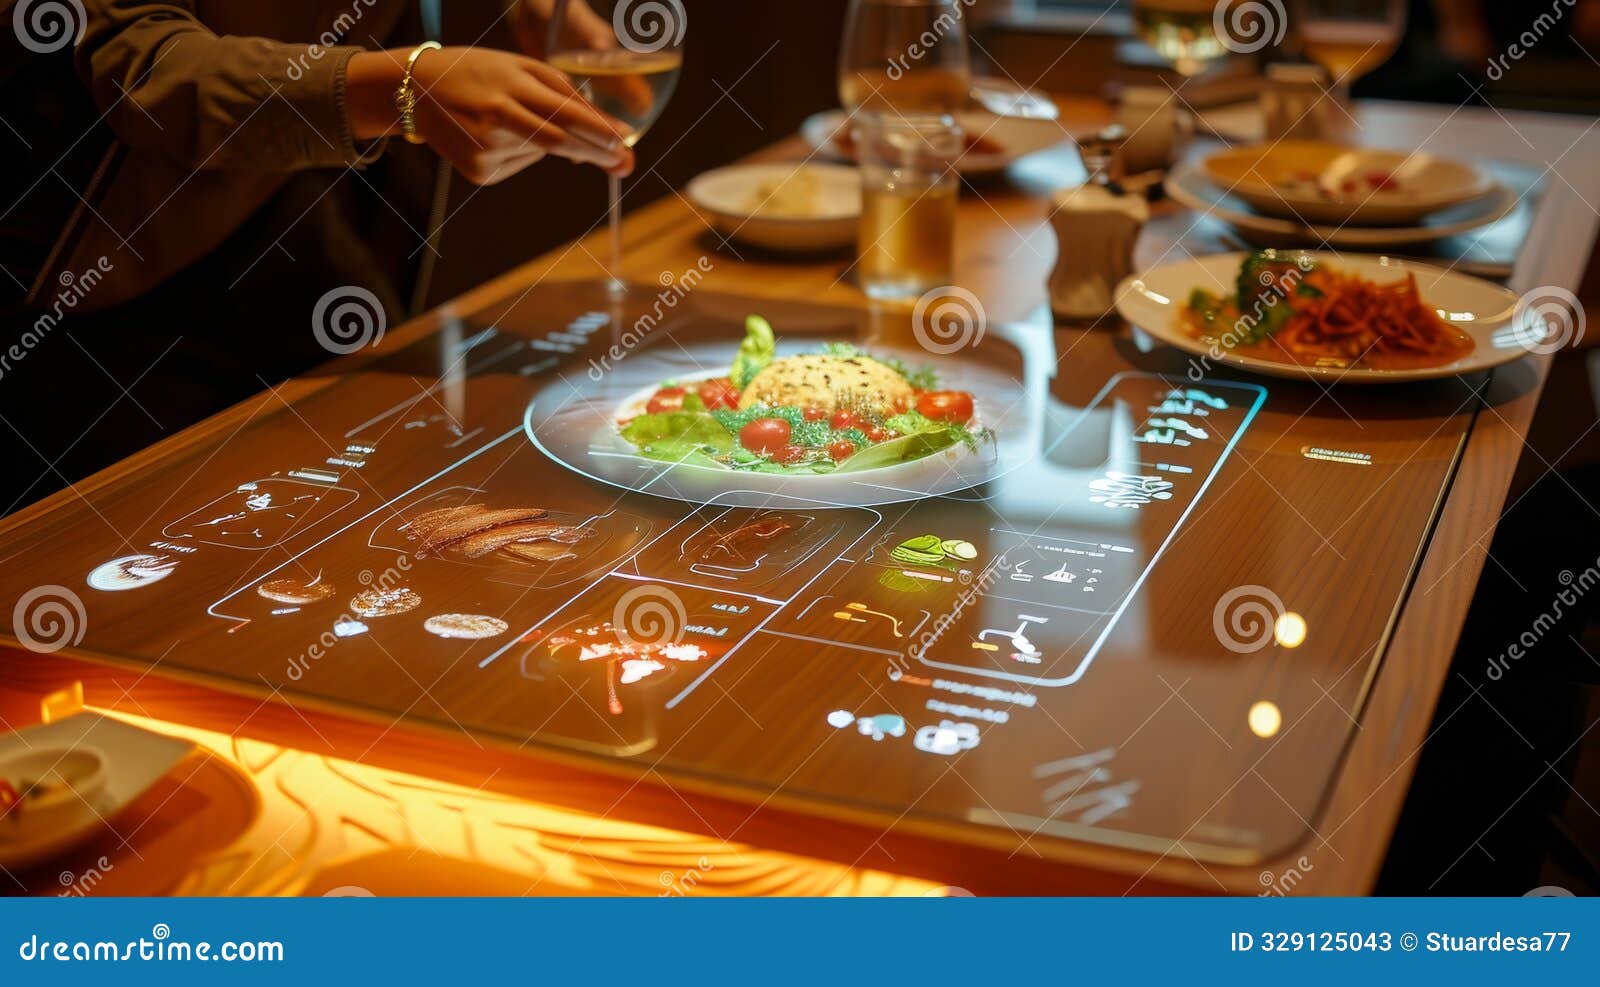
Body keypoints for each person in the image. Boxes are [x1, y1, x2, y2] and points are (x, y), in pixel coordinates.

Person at [0, 0, 633, 514]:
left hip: (294, 203)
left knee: (380, 484)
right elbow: (150, 71)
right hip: (105, 276)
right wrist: (404, 91)